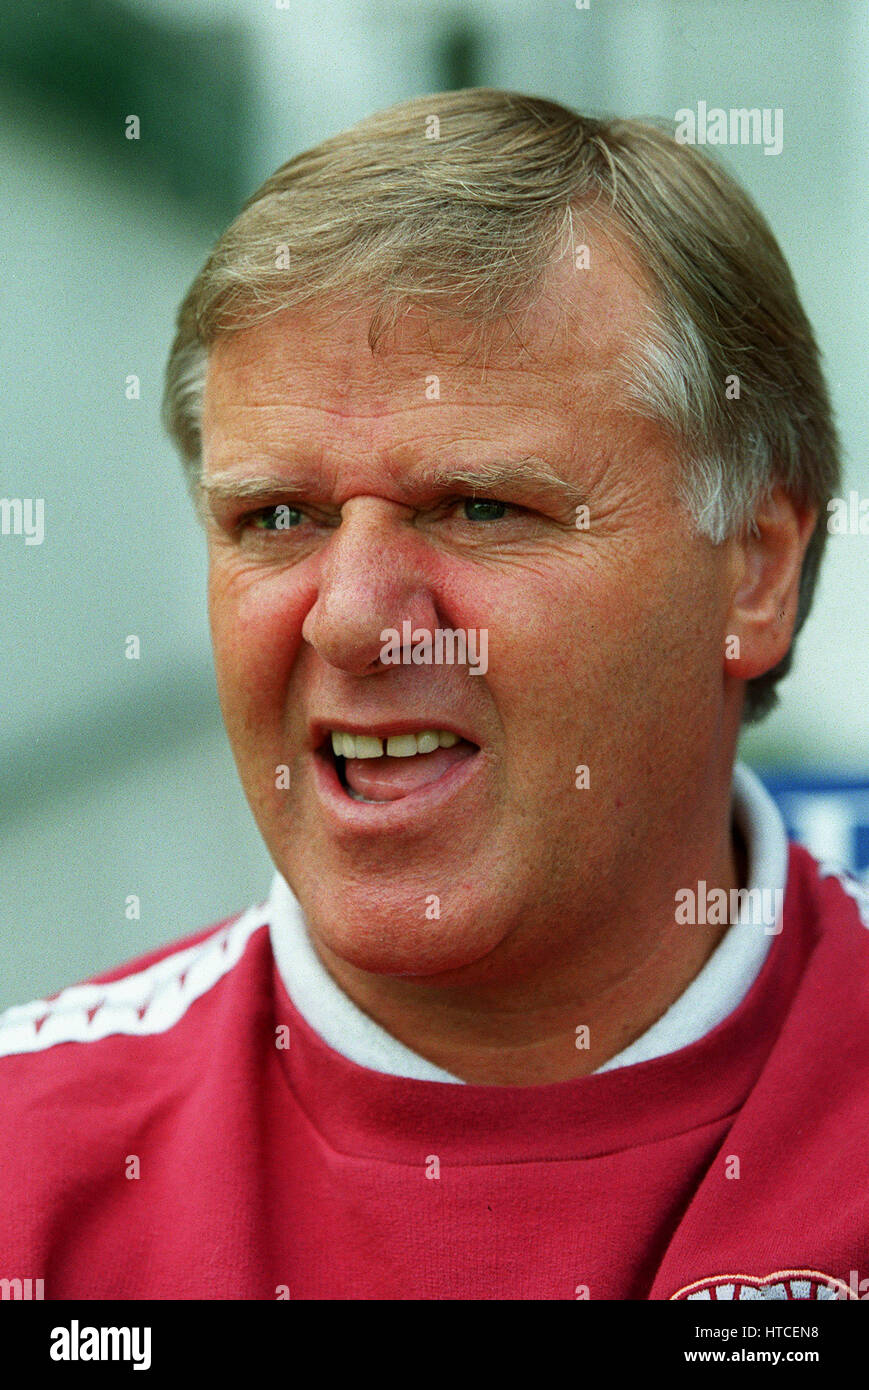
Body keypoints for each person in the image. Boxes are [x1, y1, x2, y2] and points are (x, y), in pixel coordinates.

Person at [1, 88, 867, 1302]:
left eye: (478, 506)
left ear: (755, 567)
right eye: (277, 517)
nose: (349, 617)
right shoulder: (22, 1173)